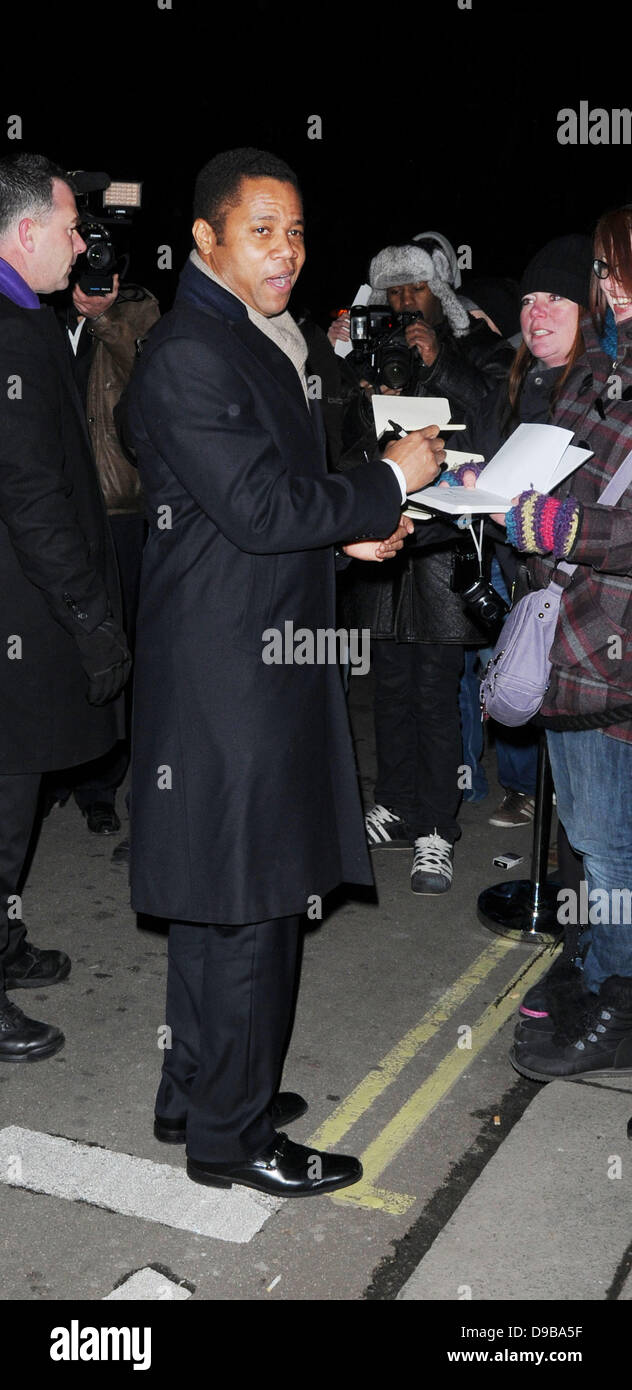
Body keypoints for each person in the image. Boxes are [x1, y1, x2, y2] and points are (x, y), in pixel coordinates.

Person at [124, 147, 444, 1196]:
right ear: (207, 239)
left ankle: (199, 1089)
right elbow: (259, 508)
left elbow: (257, 497)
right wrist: (385, 481)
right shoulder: (191, 350)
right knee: (253, 904)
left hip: (255, 649)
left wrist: (343, 534)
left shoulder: (257, 339)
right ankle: (235, 1135)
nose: (287, 250)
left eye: (297, 230)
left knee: (222, 902)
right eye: (262, 229)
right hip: (232, 674)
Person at [464, 209, 632, 1080]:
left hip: (609, 641)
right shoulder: (602, 372)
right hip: (578, 633)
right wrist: (485, 487)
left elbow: (589, 513)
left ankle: (614, 992)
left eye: (609, 272)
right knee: (601, 841)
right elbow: (562, 479)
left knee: (608, 846)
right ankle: (603, 969)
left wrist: (555, 521)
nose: (603, 289)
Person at [0, 153, 130, 1062]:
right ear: (25, 232)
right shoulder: (9, 331)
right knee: (4, 809)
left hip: (26, 604)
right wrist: (90, 615)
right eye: (71, 225)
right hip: (22, 610)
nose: (82, 242)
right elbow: (34, 494)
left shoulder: (27, 316)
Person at [333, 239, 513, 893]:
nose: (406, 304)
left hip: (445, 546)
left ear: (440, 294)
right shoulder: (370, 355)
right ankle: (397, 803)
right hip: (385, 543)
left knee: (437, 694)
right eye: (394, 294)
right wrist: (354, 377)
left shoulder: (478, 350)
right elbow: (344, 443)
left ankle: (437, 826)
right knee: (388, 687)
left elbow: (498, 427)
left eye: (417, 291)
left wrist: (439, 367)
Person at [457, 236, 594, 829]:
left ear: (591, 309)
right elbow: (488, 459)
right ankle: (535, 803)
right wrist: (466, 473)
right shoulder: (518, 382)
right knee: (511, 693)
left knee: (591, 804)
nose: (537, 313)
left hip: (582, 605)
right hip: (515, 579)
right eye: (530, 300)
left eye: (557, 300)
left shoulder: (604, 390)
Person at [45, 266, 160, 849]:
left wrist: (105, 316)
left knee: (117, 643)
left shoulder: (135, 310)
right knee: (56, 642)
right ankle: (56, 768)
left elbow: (150, 384)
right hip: (51, 507)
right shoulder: (33, 306)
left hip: (119, 511)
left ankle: (101, 784)